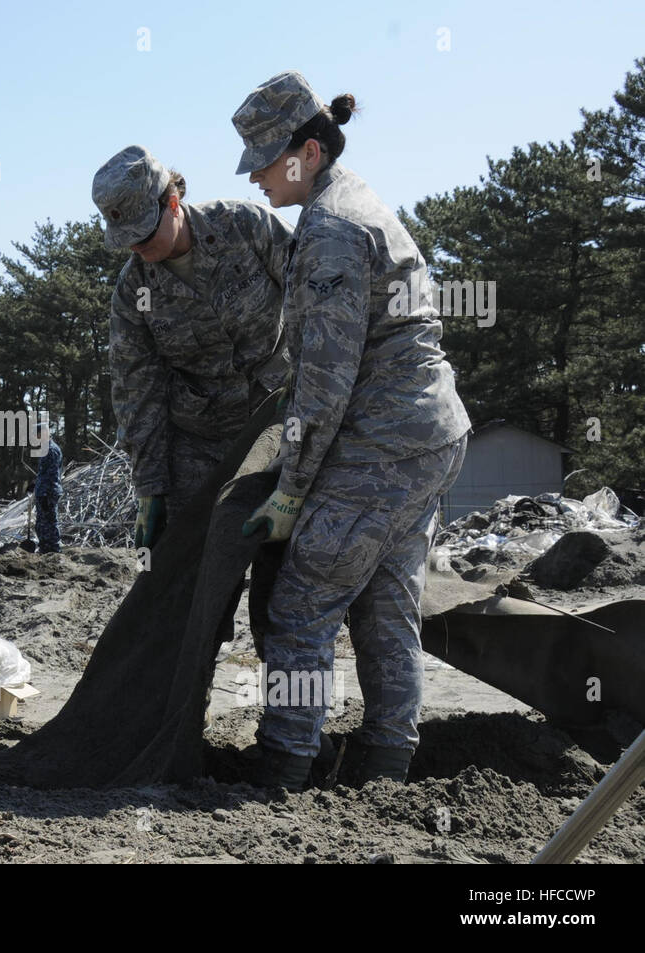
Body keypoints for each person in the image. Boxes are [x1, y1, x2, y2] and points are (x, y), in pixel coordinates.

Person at [233, 71, 472, 789]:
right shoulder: (351, 201)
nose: (257, 182)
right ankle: (386, 762)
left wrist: (293, 490)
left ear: (306, 151)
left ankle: (285, 762)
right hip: (428, 434)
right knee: (384, 605)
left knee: (301, 601)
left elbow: (324, 381)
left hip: (384, 446)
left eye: (265, 164)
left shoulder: (333, 230)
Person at [92, 145, 293, 551]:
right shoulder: (135, 292)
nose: (138, 248)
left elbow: (317, 304)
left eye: (145, 234)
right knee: (189, 562)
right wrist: (149, 486)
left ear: (172, 201)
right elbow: (137, 392)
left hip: (277, 417)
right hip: (200, 437)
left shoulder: (246, 227)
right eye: (126, 241)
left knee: (284, 564)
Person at [32, 423, 63, 554]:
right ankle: (44, 547)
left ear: (43, 434)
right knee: (41, 523)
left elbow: (51, 474)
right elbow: (43, 473)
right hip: (43, 491)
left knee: (49, 522)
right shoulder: (45, 449)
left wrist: (44, 493)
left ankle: (54, 549)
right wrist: (35, 485)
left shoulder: (51, 450)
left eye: (37, 434)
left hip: (48, 492)